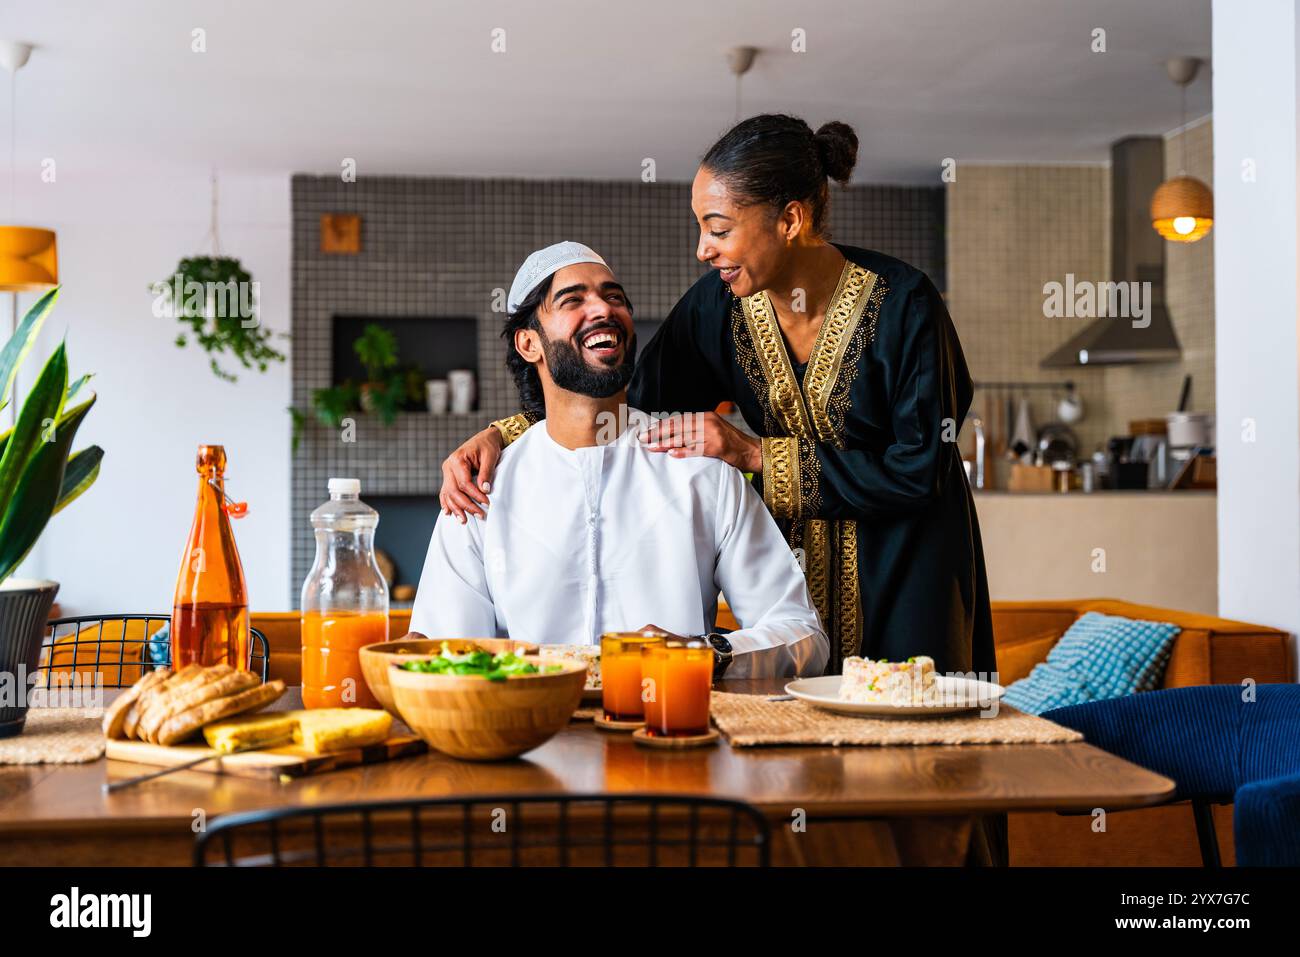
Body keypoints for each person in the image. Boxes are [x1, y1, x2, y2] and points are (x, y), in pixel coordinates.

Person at [440, 115, 995, 686]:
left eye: (718, 228)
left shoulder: (906, 305)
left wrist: (755, 456)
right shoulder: (720, 307)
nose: (703, 249)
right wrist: (508, 434)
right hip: (799, 578)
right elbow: (624, 395)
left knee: (913, 735)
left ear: (789, 220)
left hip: (908, 571)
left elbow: (920, 470)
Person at [410, 241, 829, 679]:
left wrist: (702, 653)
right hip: (529, 738)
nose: (604, 309)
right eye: (573, 300)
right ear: (529, 343)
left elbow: (802, 637)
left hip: (674, 735)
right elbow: (446, 659)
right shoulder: (478, 492)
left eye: (614, 297)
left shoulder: (701, 470)